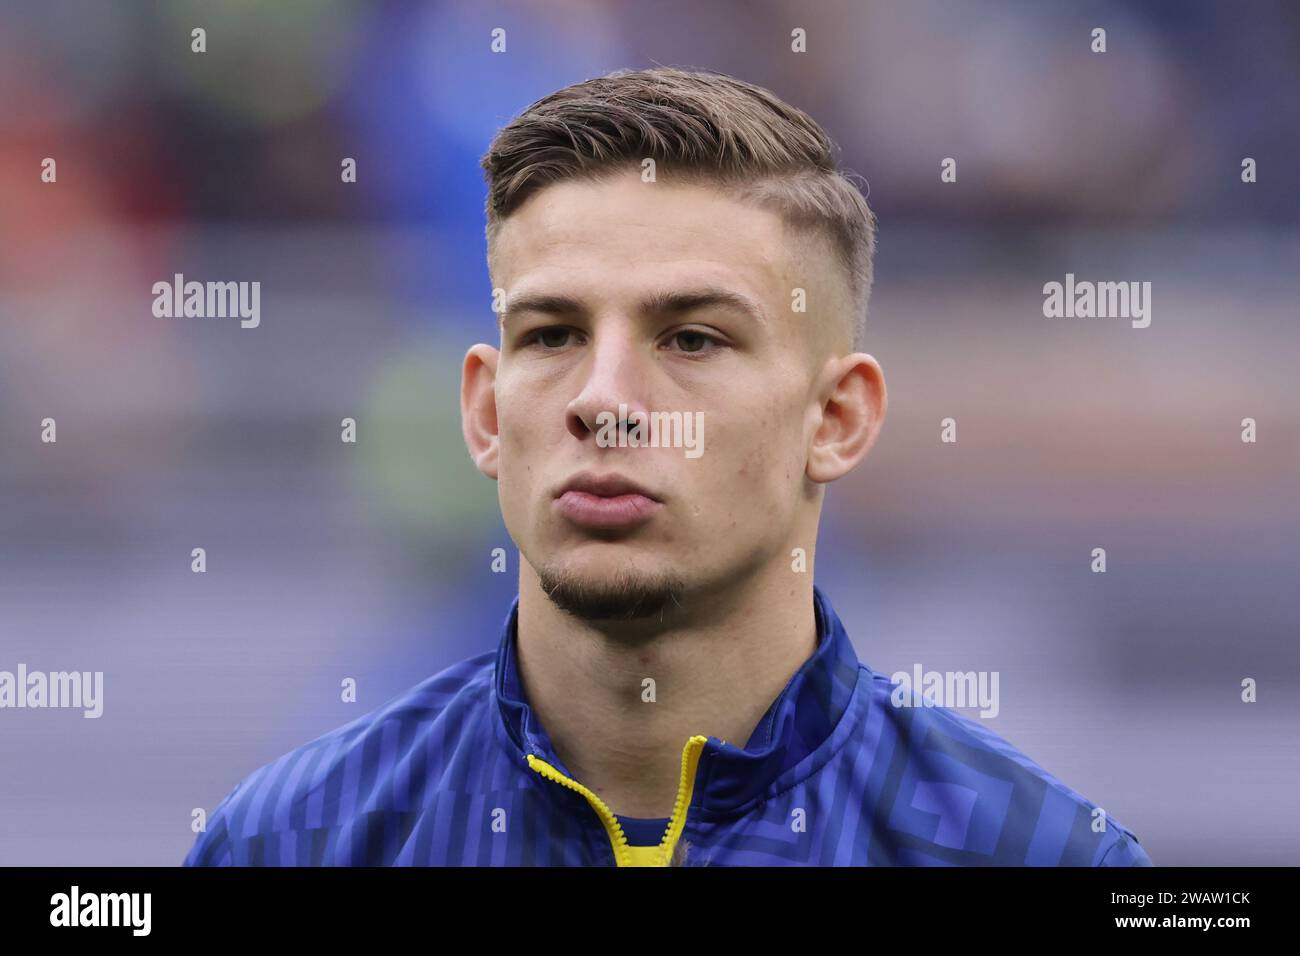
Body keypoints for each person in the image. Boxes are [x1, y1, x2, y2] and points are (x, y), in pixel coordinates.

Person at [184, 66, 1151, 867]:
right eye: (554, 334)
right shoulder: (288, 845)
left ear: (837, 419)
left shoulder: (1041, 858)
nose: (602, 399)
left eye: (691, 339)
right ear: (484, 412)